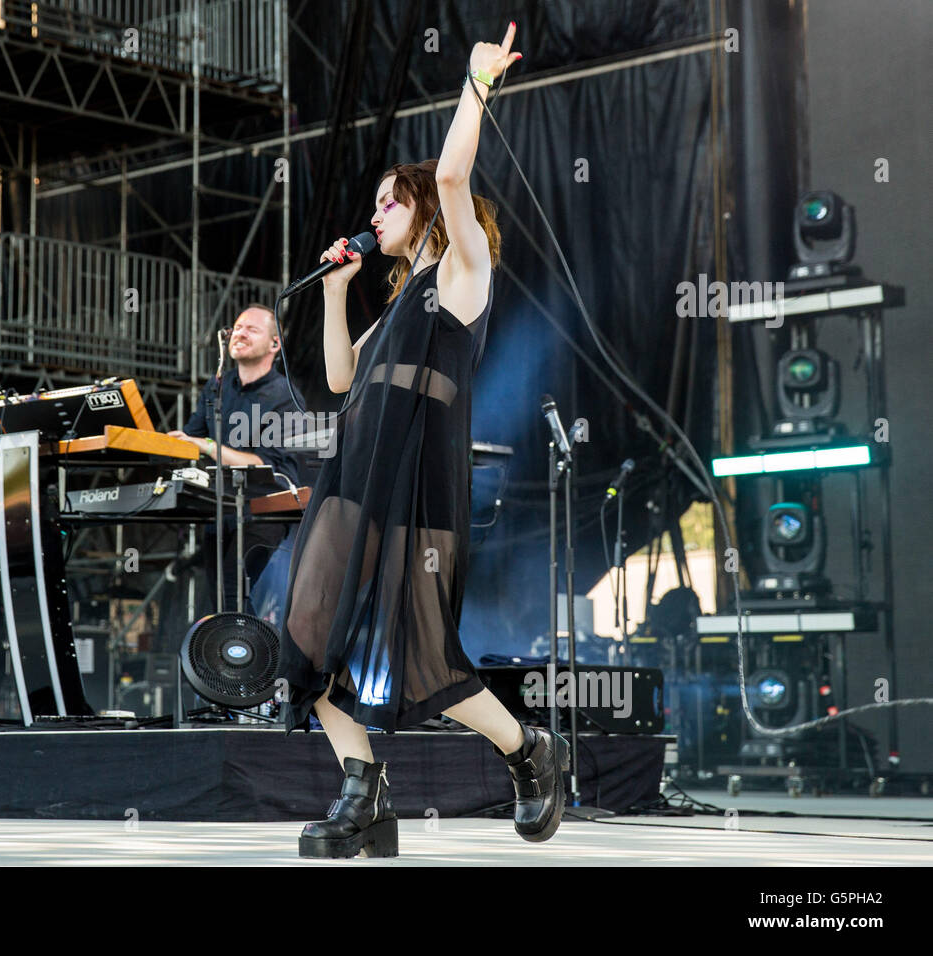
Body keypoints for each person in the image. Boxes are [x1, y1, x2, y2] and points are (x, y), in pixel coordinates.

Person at [278, 24, 569, 859]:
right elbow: (340, 378)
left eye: (387, 201)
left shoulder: (463, 268)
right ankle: (362, 795)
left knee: (420, 657)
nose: (375, 215)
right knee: (306, 639)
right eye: (374, 205)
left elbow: (450, 172)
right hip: (359, 473)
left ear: (424, 209)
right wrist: (336, 292)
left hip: (420, 477)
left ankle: (529, 750)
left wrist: (477, 84)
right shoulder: (398, 303)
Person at [168, 304, 306, 617]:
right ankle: (233, 660)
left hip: (263, 514)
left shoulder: (286, 396)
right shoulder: (217, 386)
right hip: (220, 508)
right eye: (237, 327)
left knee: (233, 591)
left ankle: (249, 660)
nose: (239, 333)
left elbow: (268, 466)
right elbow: (191, 438)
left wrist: (206, 446)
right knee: (219, 602)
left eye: (251, 329)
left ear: (275, 344)